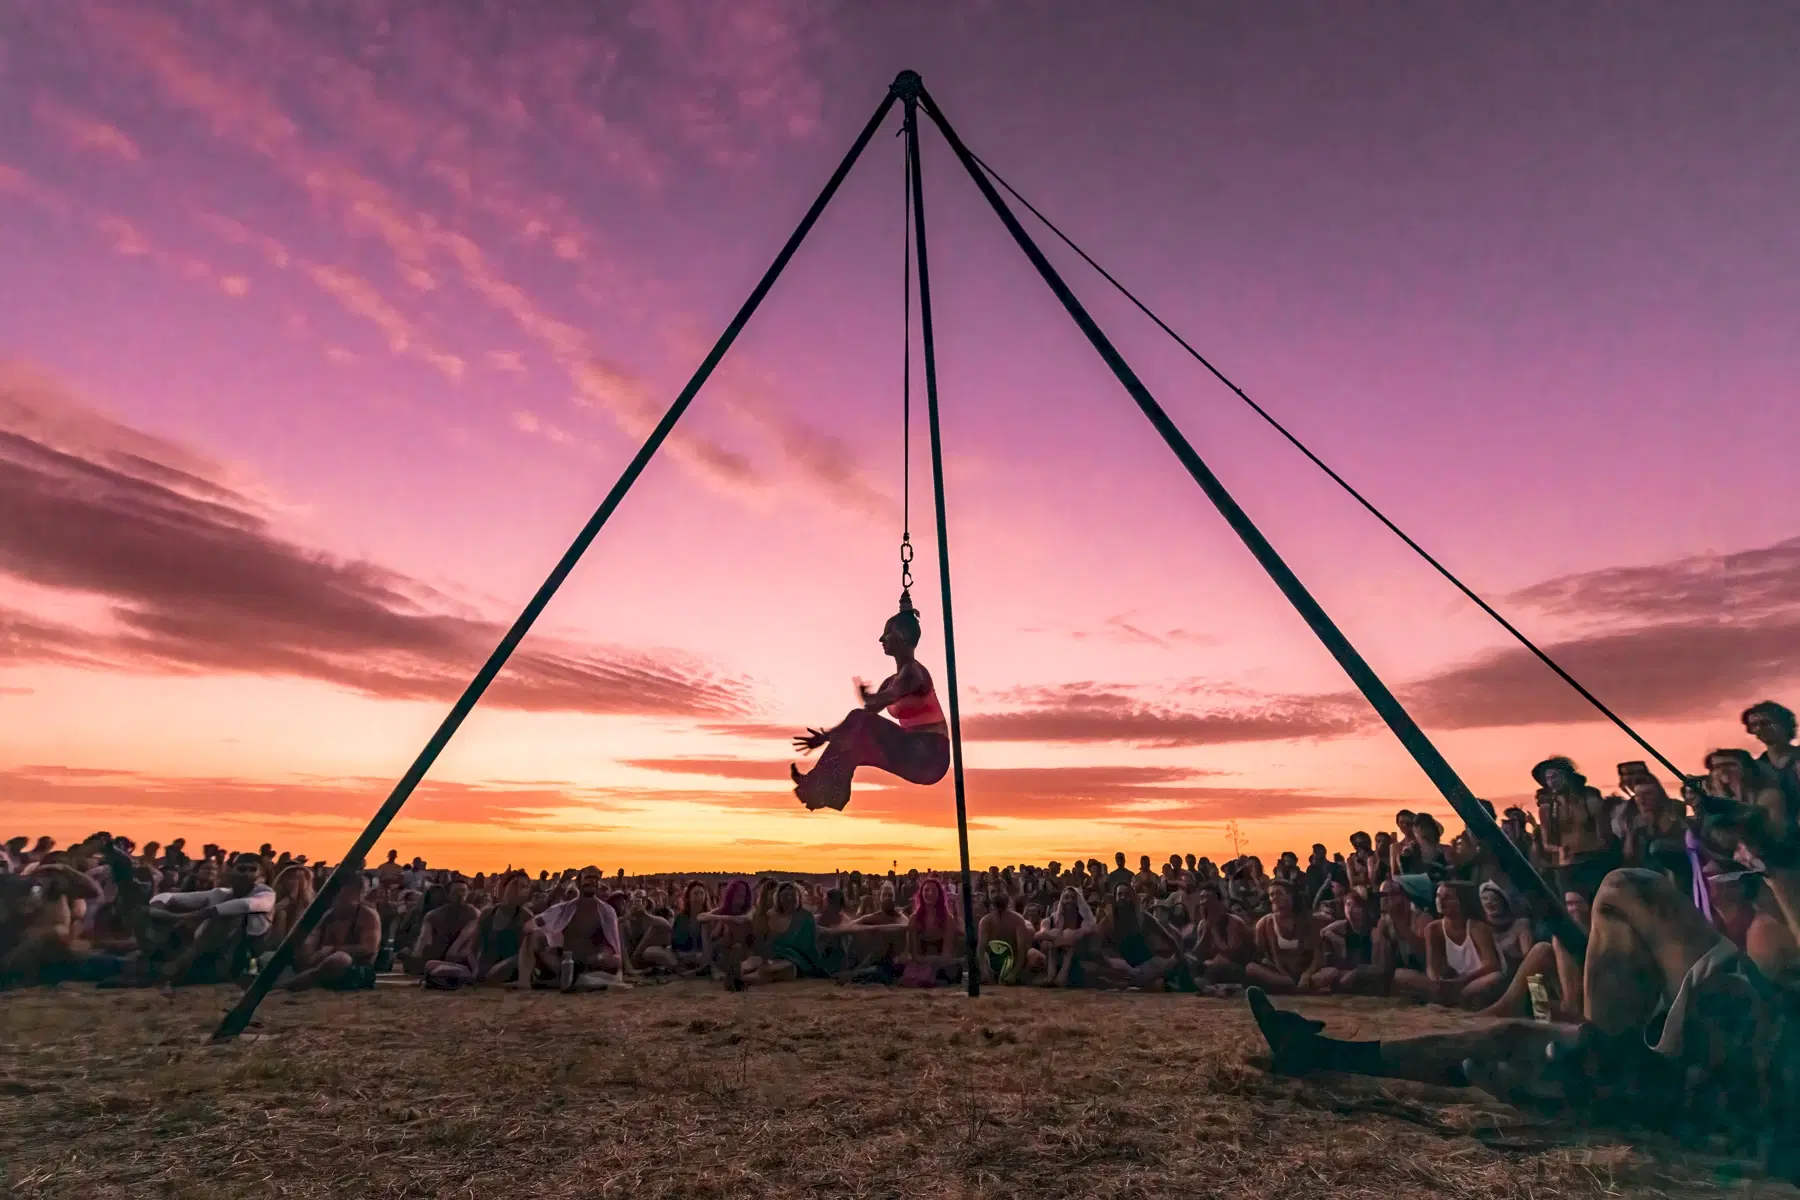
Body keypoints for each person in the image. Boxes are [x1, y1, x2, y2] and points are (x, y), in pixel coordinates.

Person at [1245, 864, 1800, 1177]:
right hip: (1731, 1044)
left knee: (1627, 894)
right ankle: (1323, 1052)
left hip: (1752, 1069)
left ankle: (1604, 1062)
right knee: (1511, 1035)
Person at [790, 600, 951, 812]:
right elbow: (858, 721)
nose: (881, 639)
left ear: (901, 637)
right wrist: (827, 737)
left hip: (929, 755)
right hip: (913, 755)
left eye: (887, 634)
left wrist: (866, 699)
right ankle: (821, 790)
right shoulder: (891, 681)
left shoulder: (913, 673)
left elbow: (875, 705)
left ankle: (822, 787)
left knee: (860, 721)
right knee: (852, 740)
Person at [285, 871, 381, 991]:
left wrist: (333, 949)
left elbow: (369, 948)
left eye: (345, 892)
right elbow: (310, 946)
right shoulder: (327, 915)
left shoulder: (367, 915)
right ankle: (305, 977)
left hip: (354, 969)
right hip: (321, 965)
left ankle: (304, 979)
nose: (338, 895)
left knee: (340, 959)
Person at [1038, 887, 1097, 988]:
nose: (1069, 901)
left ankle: (1061, 977)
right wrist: (1054, 935)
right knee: (1050, 941)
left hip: (1077, 957)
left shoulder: (1084, 920)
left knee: (1070, 944)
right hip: (1056, 954)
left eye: (1073, 898)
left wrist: (1066, 936)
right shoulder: (1052, 919)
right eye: (1066, 898)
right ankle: (1051, 975)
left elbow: (1086, 931)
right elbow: (1039, 934)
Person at [977, 890, 1036, 985]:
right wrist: (984, 971)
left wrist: (1013, 973)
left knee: (1031, 954)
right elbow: (981, 949)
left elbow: (1022, 950)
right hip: (993, 961)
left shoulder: (1017, 920)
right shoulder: (986, 921)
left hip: (1013, 962)